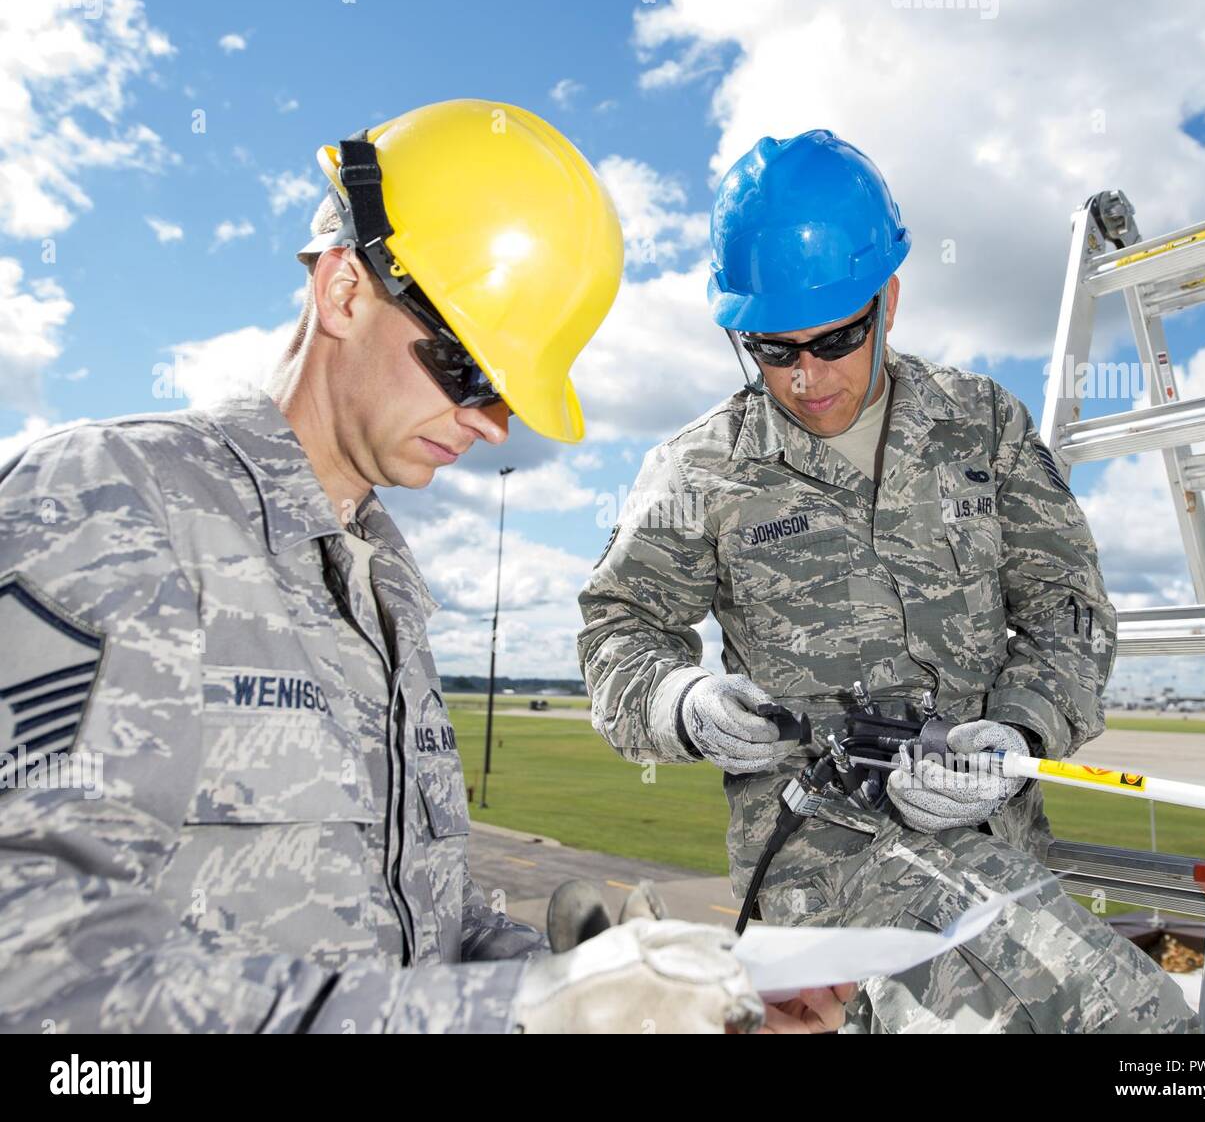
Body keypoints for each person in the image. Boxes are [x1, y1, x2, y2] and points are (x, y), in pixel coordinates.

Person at [0, 100, 826, 1034]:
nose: (490, 425)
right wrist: (527, 1010)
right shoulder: (113, 505)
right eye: (472, 372)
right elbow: (35, 988)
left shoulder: (387, 593)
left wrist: (621, 989)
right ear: (346, 290)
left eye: (511, 398)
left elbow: (416, 920)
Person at [577, 129, 1199, 1032]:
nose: (808, 377)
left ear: (889, 299)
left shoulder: (980, 426)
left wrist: (1018, 732)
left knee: (1150, 1034)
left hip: (995, 870)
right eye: (772, 350)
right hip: (815, 900)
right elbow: (618, 629)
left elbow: (1071, 614)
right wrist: (680, 700)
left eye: (836, 338)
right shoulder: (700, 469)